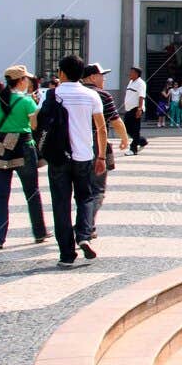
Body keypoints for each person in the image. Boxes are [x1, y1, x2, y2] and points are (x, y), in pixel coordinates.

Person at [39, 55, 107, 267]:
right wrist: (101, 156)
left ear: (61, 73)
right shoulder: (91, 95)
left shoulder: (51, 94)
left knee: (61, 204)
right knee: (85, 197)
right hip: (84, 155)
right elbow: (102, 128)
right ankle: (84, 235)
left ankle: (66, 254)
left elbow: (36, 122)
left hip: (58, 156)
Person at [0, 64, 47, 250]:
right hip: (24, 147)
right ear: (21, 81)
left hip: (0, 150)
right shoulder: (27, 102)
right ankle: (39, 232)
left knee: (1, 196)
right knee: (32, 193)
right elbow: (35, 126)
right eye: (26, 79)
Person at [81, 63, 130, 242]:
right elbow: (115, 121)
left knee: (81, 189)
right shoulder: (102, 95)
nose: (104, 78)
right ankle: (87, 226)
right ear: (92, 77)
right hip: (96, 144)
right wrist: (124, 138)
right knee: (97, 189)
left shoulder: (76, 93)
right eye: (102, 75)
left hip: (75, 144)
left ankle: (84, 224)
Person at [122, 66, 148, 154]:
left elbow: (141, 96)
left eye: (132, 72)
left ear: (136, 74)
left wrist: (139, 109)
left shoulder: (141, 83)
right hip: (129, 109)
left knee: (135, 129)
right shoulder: (131, 82)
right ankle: (142, 141)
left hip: (136, 109)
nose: (130, 74)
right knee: (126, 128)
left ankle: (133, 149)